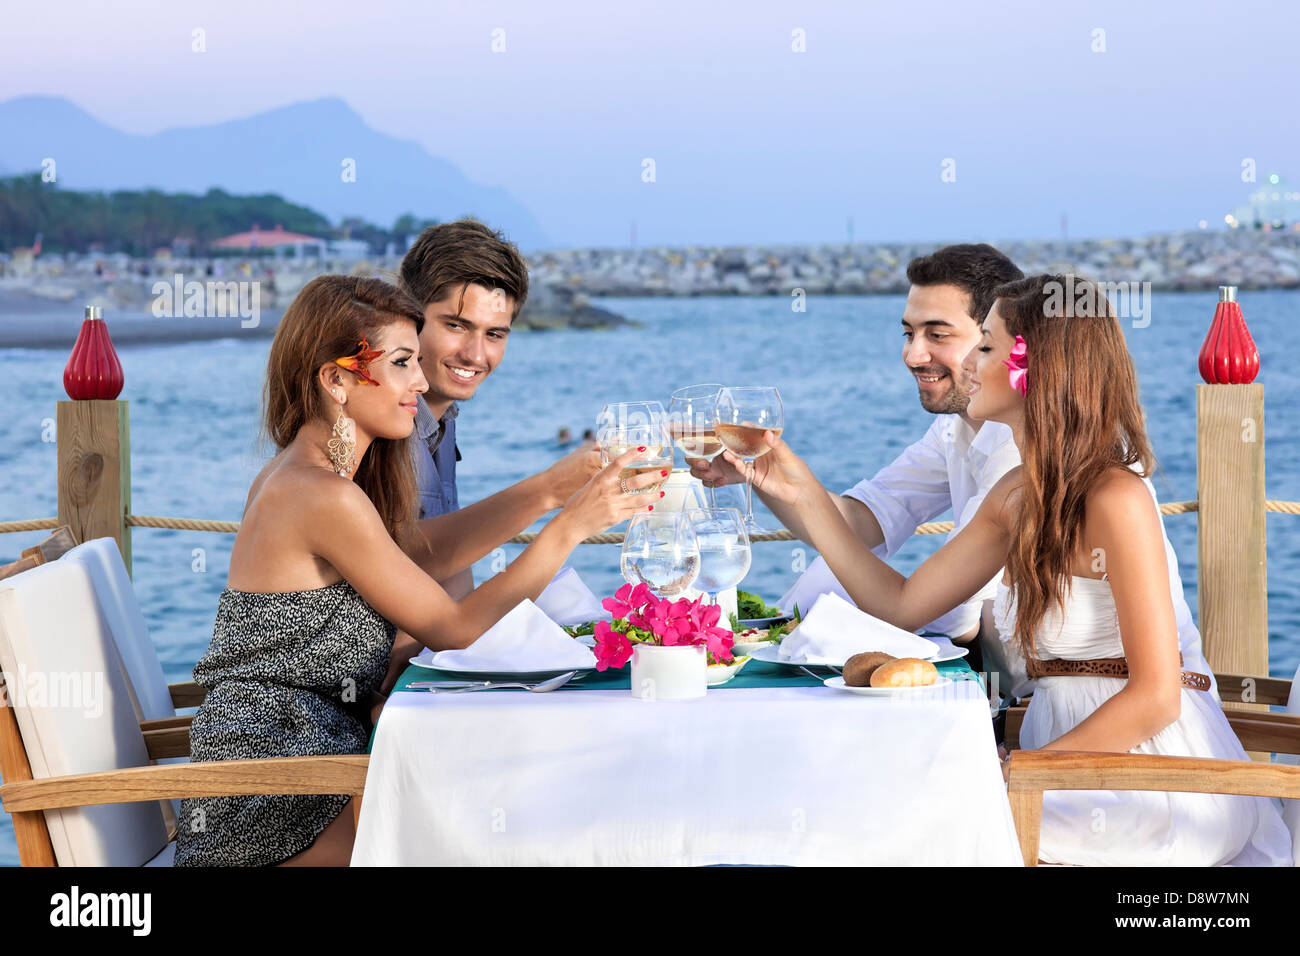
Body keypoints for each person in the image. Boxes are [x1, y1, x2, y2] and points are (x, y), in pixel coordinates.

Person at [726, 274, 1289, 866]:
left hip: (1148, 776)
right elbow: (900, 604)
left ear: (1034, 369)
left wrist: (1020, 771)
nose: (969, 363)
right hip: (1054, 764)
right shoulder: (1017, 495)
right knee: (875, 808)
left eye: (986, 346)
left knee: (908, 828)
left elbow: (1156, 698)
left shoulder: (1115, 497)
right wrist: (798, 489)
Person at [174, 276, 661, 868]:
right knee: (518, 826)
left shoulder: (307, 475)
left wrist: (552, 489)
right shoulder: (321, 494)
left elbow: (416, 555)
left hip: (315, 759)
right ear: (336, 379)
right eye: (402, 363)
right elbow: (454, 629)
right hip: (278, 790)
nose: (422, 382)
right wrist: (572, 527)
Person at [689, 244, 1215, 704]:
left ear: (1028, 359)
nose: (912, 355)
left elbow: (951, 614)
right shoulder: (979, 451)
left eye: (945, 336)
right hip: (1034, 713)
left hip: (1081, 724)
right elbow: (868, 531)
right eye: (908, 333)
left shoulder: (1091, 483)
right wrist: (782, 482)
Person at [396, 219, 599, 605]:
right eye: (456, 326)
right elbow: (400, 564)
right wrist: (552, 493)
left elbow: (449, 579)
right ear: (407, 314)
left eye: (494, 334)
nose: (475, 355)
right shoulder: (377, 420)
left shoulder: (442, 420)